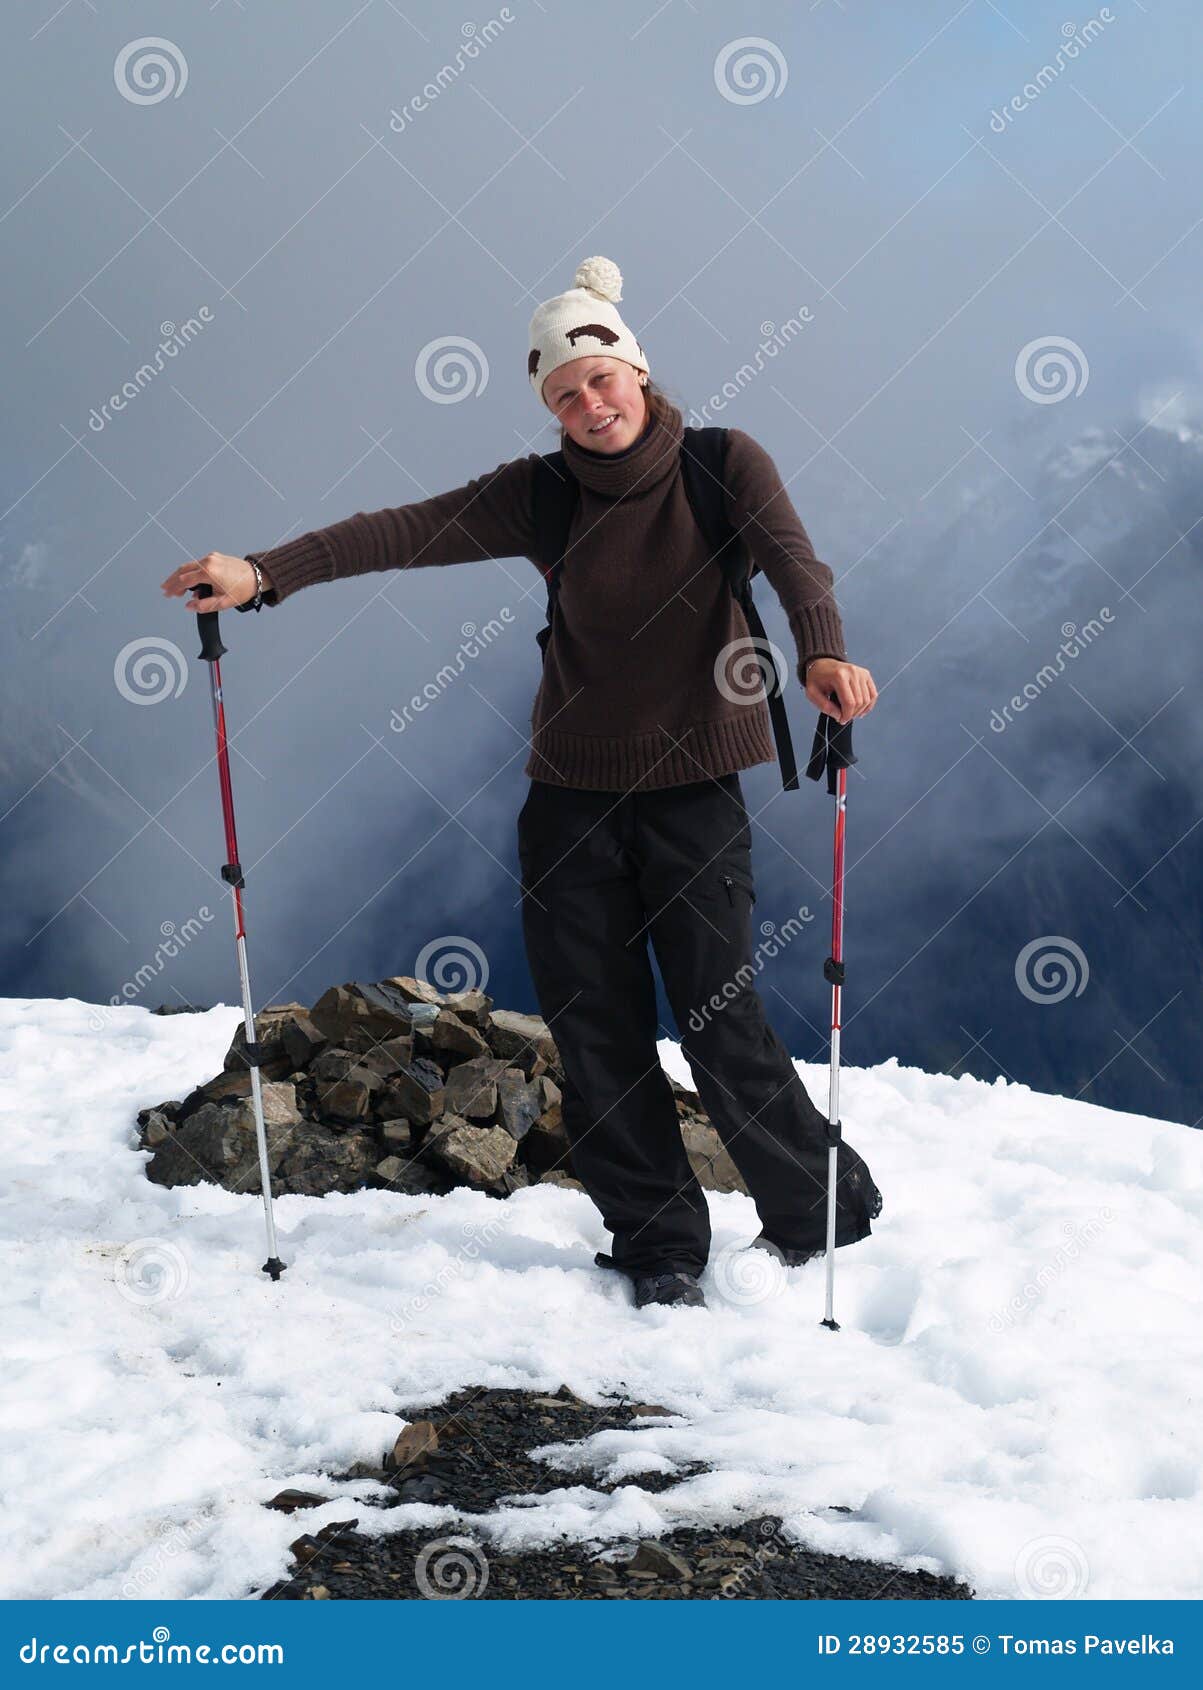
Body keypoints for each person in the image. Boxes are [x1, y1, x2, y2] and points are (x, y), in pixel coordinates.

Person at [161, 256, 882, 1311]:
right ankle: (659, 1244)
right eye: (564, 392)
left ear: (636, 367)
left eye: (602, 378)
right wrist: (264, 573)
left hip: (696, 789)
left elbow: (794, 565)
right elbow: (399, 532)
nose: (590, 404)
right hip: (571, 797)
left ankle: (820, 1212)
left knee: (719, 1016)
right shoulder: (540, 495)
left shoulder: (724, 465)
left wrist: (823, 653)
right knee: (596, 1028)